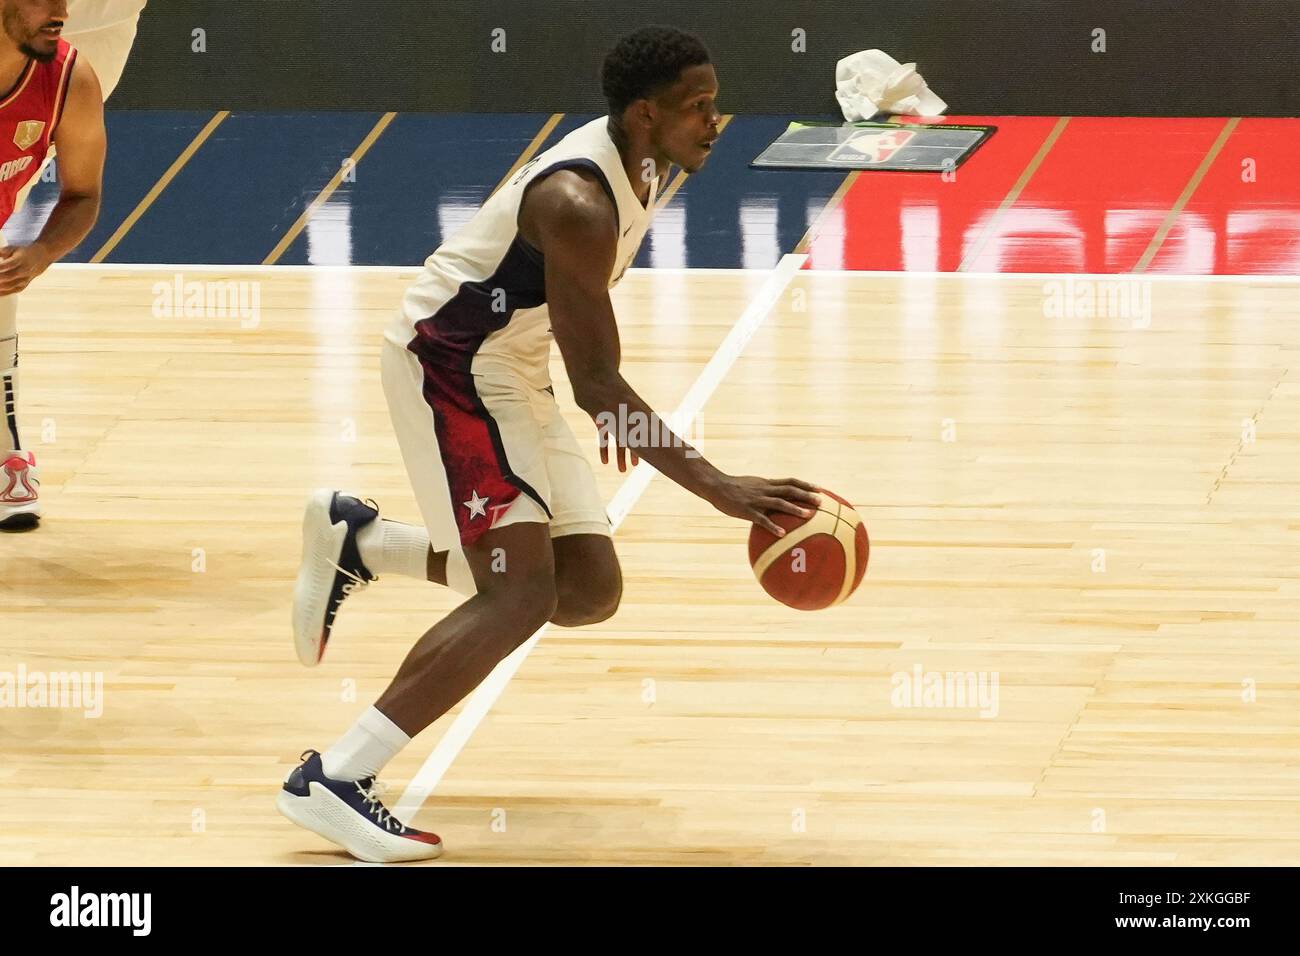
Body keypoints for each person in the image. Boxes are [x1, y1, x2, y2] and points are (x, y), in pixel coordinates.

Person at [278, 25, 821, 863]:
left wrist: (610, 406)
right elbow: (596, 383)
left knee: (586, 588)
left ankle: (364, 543)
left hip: (512, 366)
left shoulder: (641, 168)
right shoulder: (579, 201)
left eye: (714, 104)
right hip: (448, 365)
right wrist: (720, 486)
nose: (716, 122)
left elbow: (589, 364)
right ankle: (336, 778)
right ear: (645, 114)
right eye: (698, 108)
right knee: (519, 594)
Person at [0, 0, 140, 529]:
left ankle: (7, 458)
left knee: (4, 280)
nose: (61, 10)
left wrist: (37, 254)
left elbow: (82, 194)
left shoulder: (71, 78)